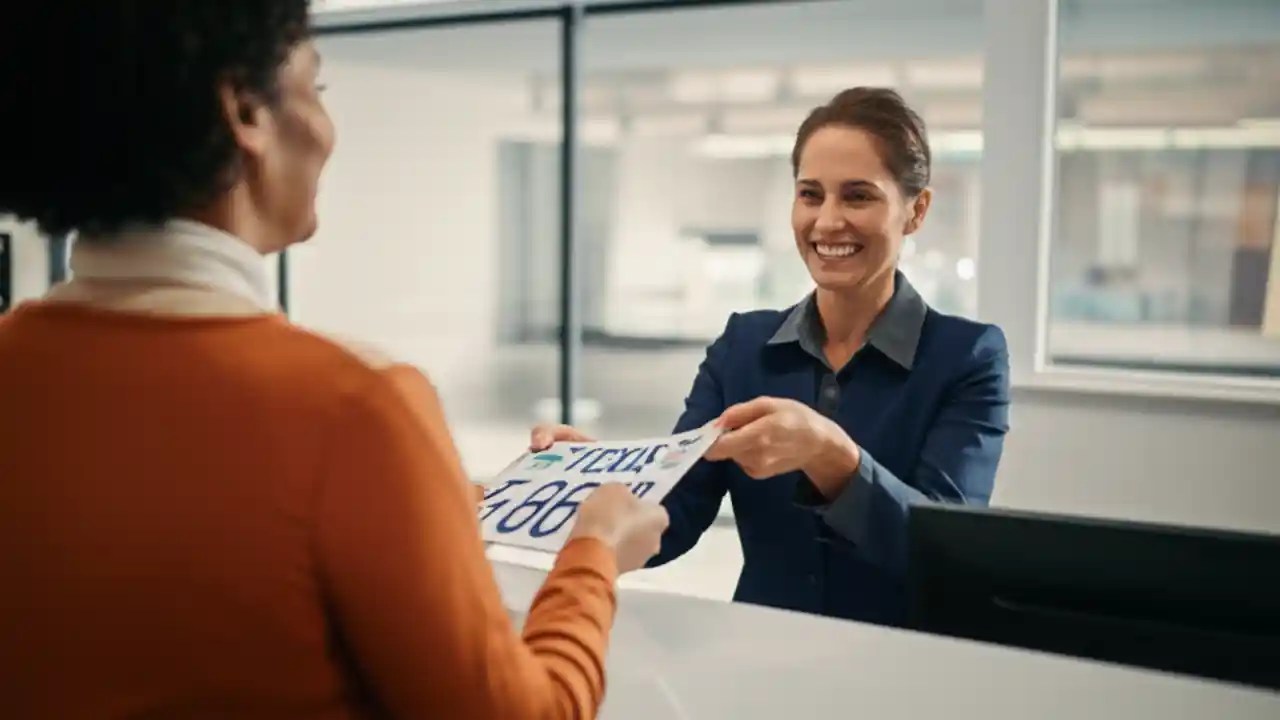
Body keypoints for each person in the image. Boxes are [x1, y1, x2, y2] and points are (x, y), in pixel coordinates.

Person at [0, 3, 667, 718]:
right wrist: (594, 552)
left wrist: (432, 496)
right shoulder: (353, 404)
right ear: (247, 109)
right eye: (316, 90)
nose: (326, 130)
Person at [534, 87, 1010, 627]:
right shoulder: (744, 347)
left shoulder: (968, 358)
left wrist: (832, 456)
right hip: (759, 656)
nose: (828, 222)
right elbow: (675, 518)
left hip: (898, 671)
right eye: (810, 195)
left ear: (916, 210)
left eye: (857, 196)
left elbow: (943, 553)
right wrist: (599, 485)